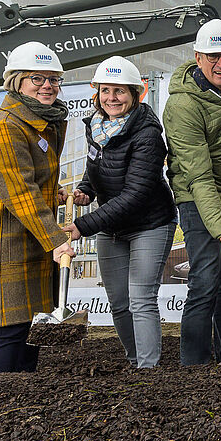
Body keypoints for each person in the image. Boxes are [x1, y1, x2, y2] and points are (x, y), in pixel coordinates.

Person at [58, 56, 174, 370]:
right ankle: (134, 360)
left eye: (120, 91)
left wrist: (84, 225)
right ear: (97, 93)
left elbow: (135, 194)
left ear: (136, 94)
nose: (112, 98)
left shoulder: (147, 134)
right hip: (112, 226)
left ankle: (149, 371)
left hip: (149, 223)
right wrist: (86, 189)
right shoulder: (96, 126)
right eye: (106, 90)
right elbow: (96, 166)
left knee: (140, 299)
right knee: (119, 303)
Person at [0, 41, 71, 374]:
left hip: (28, 235)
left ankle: (22, 394)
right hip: (3, 241)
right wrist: (55, 239)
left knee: (28, 329)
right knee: (9, 330)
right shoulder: (4, 128)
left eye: (53, 79)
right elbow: (20, 193)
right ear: (16, 82)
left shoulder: (40, 122)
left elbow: (31, 181)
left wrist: (55, 193)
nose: (48, 86)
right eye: (37, 79)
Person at [163, 20, 221, 366]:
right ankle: (194, 364)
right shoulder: (183, 106)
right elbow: (200, 179)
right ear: (198, 57)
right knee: (205, 280)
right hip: (196, 197)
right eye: (214, 57)